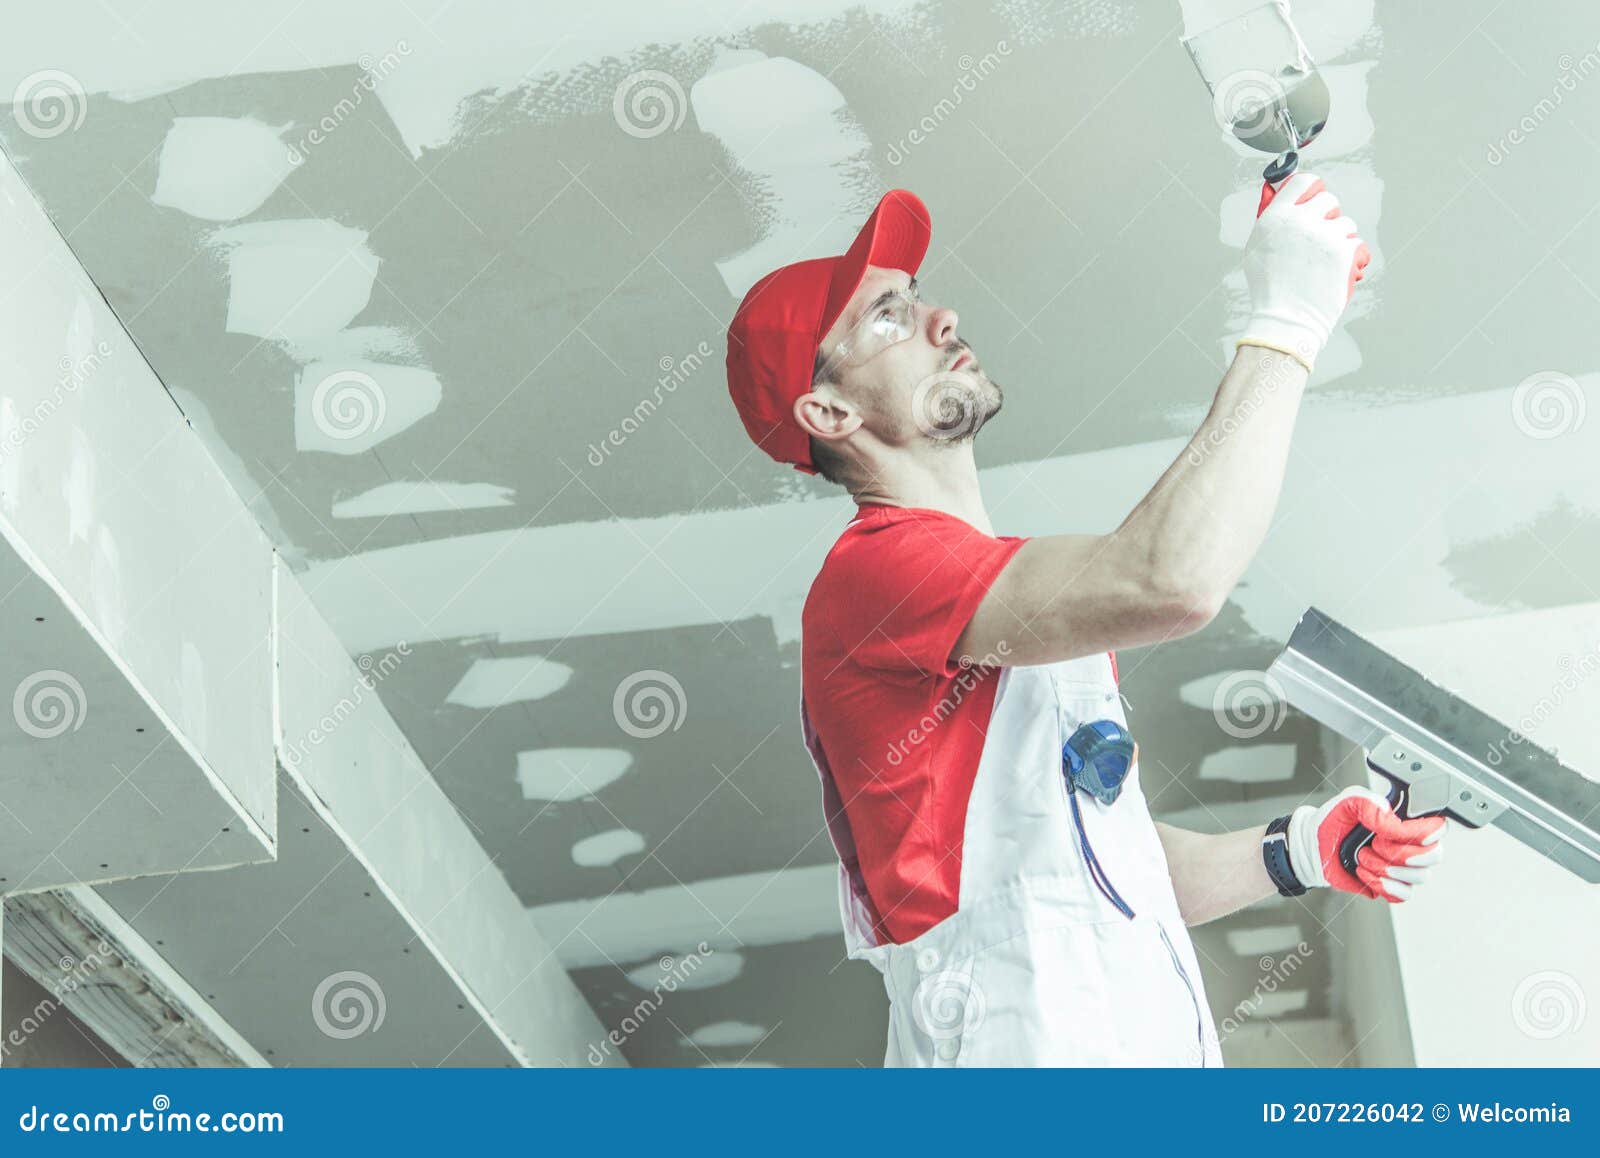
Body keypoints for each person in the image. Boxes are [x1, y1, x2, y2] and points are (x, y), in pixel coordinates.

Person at [723, 175, 1445, 1067]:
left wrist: (1299, 848)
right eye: (885, 320)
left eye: (916, 299)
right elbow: (1173, 579)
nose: (940, 319)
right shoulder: (874, 575)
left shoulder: (1004, 597)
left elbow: (1109, 869)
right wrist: (1286, 323)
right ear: (829, 412)